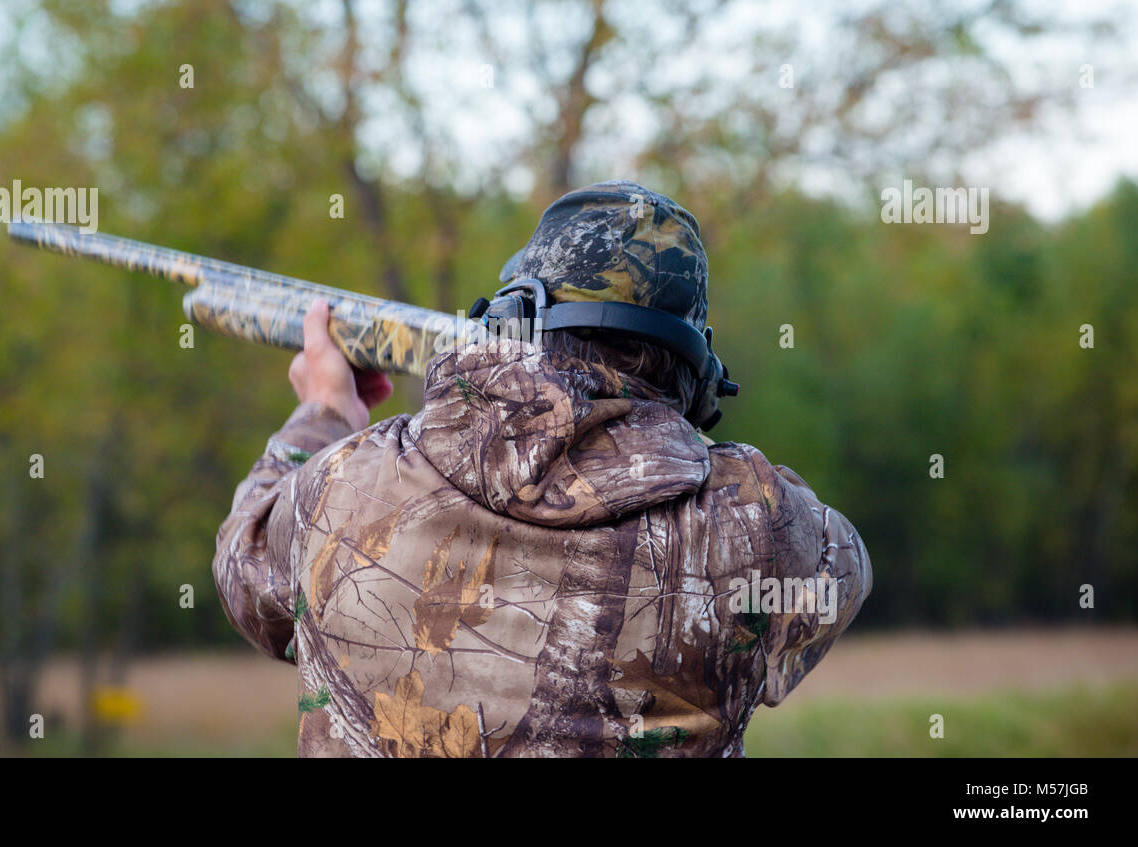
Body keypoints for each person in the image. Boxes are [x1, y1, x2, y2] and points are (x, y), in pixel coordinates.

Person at [212, 180, 872, 757]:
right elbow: (845, 568)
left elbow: (243, 567)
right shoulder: (756, 524)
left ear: (509, 315)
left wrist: (324, 411)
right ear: (698, 375)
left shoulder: (343, 486)